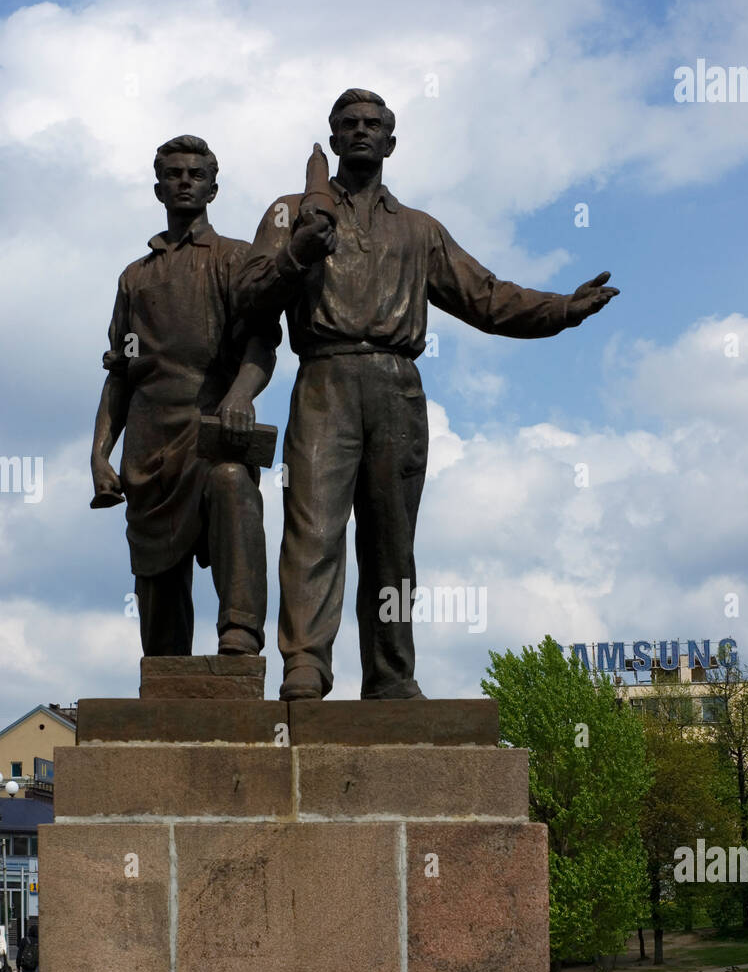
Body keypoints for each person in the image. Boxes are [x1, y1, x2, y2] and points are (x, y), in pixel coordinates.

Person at [238, 89, 619, 701]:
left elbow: (487, 297)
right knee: (312, 528)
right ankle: (305, 662)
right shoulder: (290, 212)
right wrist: (297, 253)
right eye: (348, 125)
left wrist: (562, 310)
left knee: (392, 543)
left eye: (374, 125)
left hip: (396, 385)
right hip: (324, 380)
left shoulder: (419, 230)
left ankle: (391, 673)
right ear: (332, 139)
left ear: (391, 142)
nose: (361, 132)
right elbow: (250, 296)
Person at [90, 135, 279, 656]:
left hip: (215, 434)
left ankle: (240, 632)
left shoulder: (236, 259)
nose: (184, 183)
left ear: (213, 188)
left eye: (195, 175)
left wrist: (240, 394)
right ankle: (167, 677)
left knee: (233, 486)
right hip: (149, 448)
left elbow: (262, 343)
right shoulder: (135, 276)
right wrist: (99, 453)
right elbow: (119, 374)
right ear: (158, 187)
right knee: (159, 614)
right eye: (174, 174)